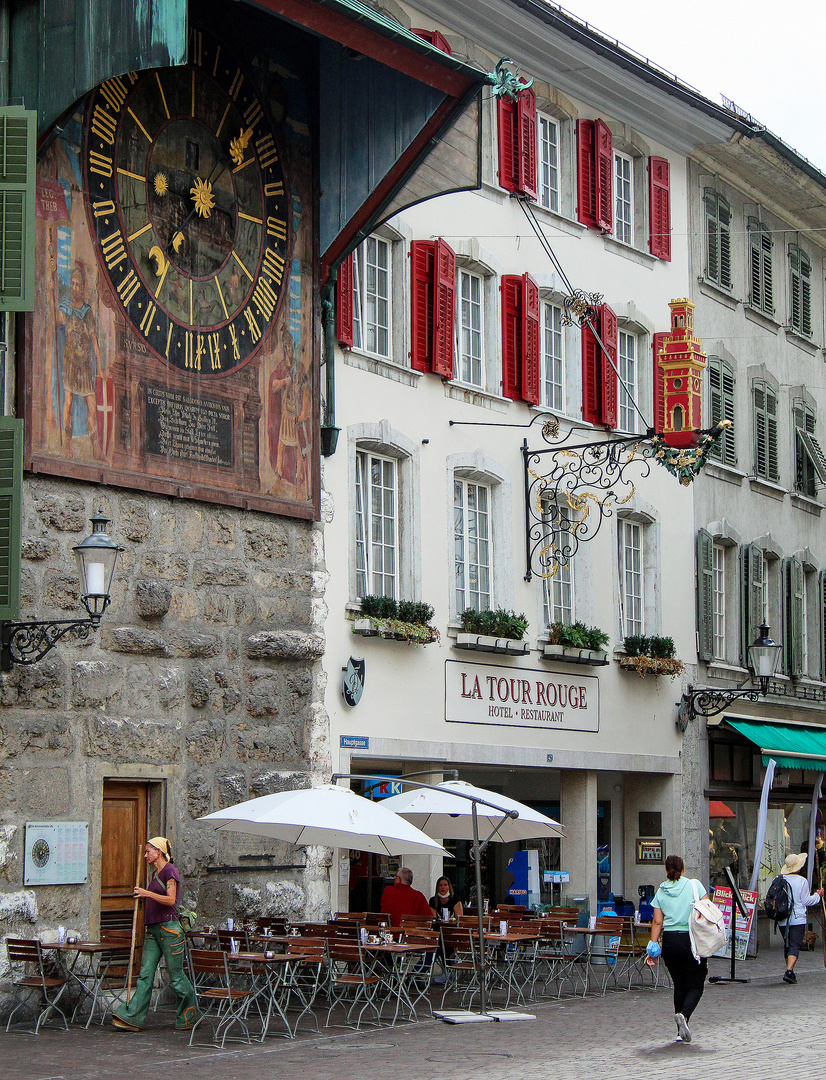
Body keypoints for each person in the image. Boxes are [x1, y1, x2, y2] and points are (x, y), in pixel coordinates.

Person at [112, 837, 198, 1032]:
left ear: (158, 852)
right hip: (152, 929)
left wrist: (147, 894)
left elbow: (171, 900)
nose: (145, 855)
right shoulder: (154, 874)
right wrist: (143, 896)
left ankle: (190, 1015)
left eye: (148, 851)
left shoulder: (170, 871)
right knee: (145, 974)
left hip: (169, 929)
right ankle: (132, 1017)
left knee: (176, 977)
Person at [644, 854, 707, 1044]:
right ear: (684, 869)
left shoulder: (661, 891)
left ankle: (680, 1032)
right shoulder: (695, 886)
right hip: (691, 939)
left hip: (670, 941)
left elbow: (657, 921)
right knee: (696, 984)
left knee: (679, 984)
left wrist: (652, 947)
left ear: (666, 870)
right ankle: (684, 1016)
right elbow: (706, 909)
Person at [779, 851, 824, 983]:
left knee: (787, 945)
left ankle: (790, 971)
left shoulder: (780, 879)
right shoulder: (801, 881)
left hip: (782, 919)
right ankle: (789, 971)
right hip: (797, 918)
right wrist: (818, 896)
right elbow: (806, 901)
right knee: (795, 945)